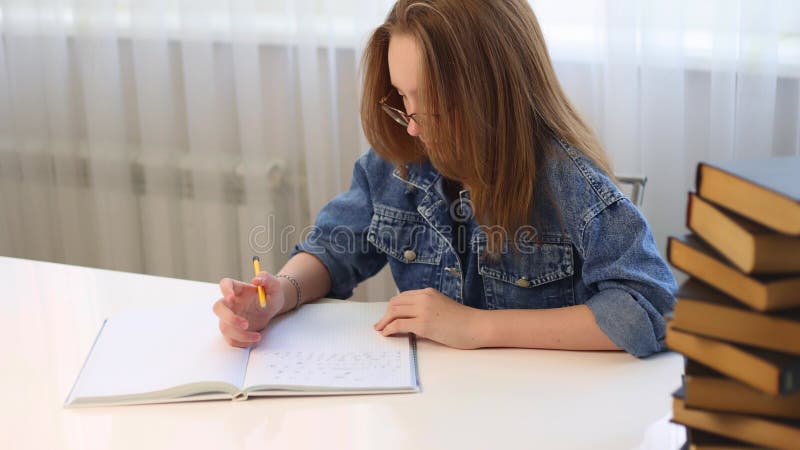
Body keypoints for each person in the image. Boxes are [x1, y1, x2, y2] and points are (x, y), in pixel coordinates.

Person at [213, 0, 677, 358]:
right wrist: (281, 294)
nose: (411, 126)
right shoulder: (400, 161)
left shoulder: (568, 182)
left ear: (492, 95)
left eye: (429, 103)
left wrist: (476, 327)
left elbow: (649, 309)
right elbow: (335, 247)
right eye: (402, 98)